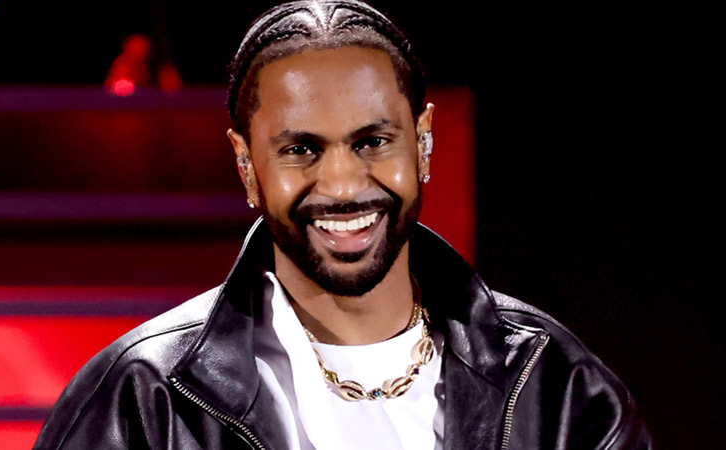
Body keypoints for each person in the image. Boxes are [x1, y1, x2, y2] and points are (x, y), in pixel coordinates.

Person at [34, 1, 652, 449]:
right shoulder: (142, 397)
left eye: (373, 142)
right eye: (300, 149)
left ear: (423, 141)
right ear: (246, 165)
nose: (342, 185)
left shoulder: (558, 385)